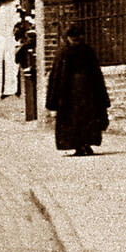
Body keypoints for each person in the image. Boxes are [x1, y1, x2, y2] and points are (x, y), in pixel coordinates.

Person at [46, 24, 110, 156]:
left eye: (78, 36)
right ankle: (80, 145)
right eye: (73, 37)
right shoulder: (64, 53)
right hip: (70, 94)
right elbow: (57, 76)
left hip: (87, 92)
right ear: (68, 38)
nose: (76, 39)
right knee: (76, 119)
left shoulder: (85, 51)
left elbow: (96, 74)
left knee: (86, 118)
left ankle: (85, 144)